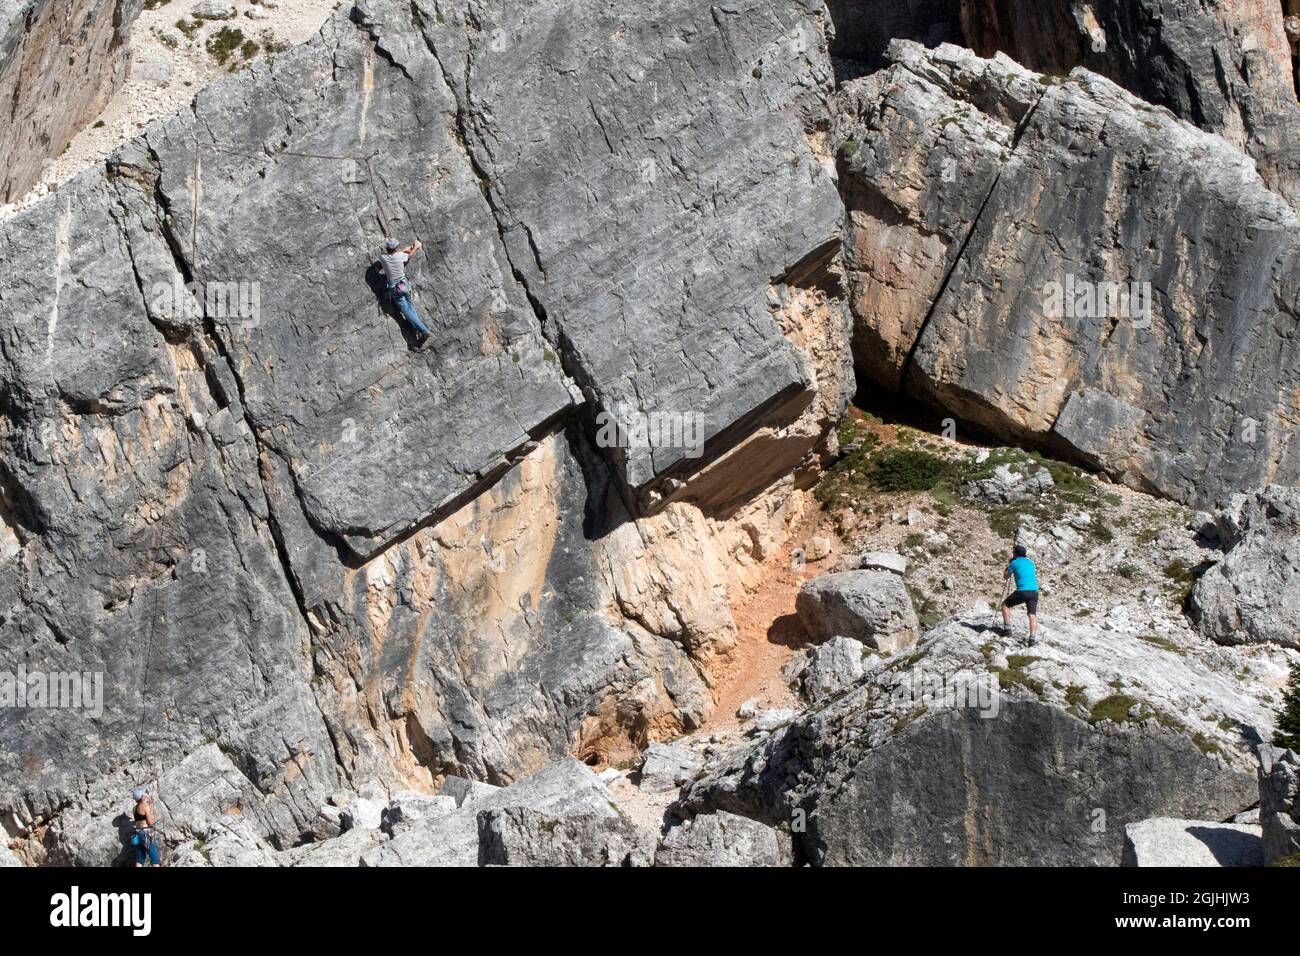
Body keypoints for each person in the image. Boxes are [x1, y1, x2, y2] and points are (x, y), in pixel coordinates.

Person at [379, 237, 431, 349]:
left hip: (395, 288)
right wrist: (416, 247)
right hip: (404, 285)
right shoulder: (400, 256)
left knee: (407, 311)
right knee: (410, 308)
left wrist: (402, 250)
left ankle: (423, 330)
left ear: (388, 249)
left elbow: (392, 255)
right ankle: (421, 330)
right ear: (396, 248)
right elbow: (409, 256)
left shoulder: (383, 258)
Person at [1001, 544, 1040, 643]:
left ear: (1016, 554)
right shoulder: (1031, 562)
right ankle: (1032, 638)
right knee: (1032, 614)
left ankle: (1007, 630)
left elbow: (1006, 576)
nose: (1012, 554)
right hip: (1034, 591)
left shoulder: (1014, 563)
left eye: (1013, 552)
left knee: (1005, 605)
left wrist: (1008, 566)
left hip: (1023, 591)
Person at [131, 786, 161, 867]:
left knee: (139, 859)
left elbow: (145, 816)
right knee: (155, 859)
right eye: (145, 793)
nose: (146, 794)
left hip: (138, 834)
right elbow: (150, 822)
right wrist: (157, 818)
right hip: (146, 834)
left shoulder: (134, 808)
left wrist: (150, 803)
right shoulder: (145, 806)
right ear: (142, 796)